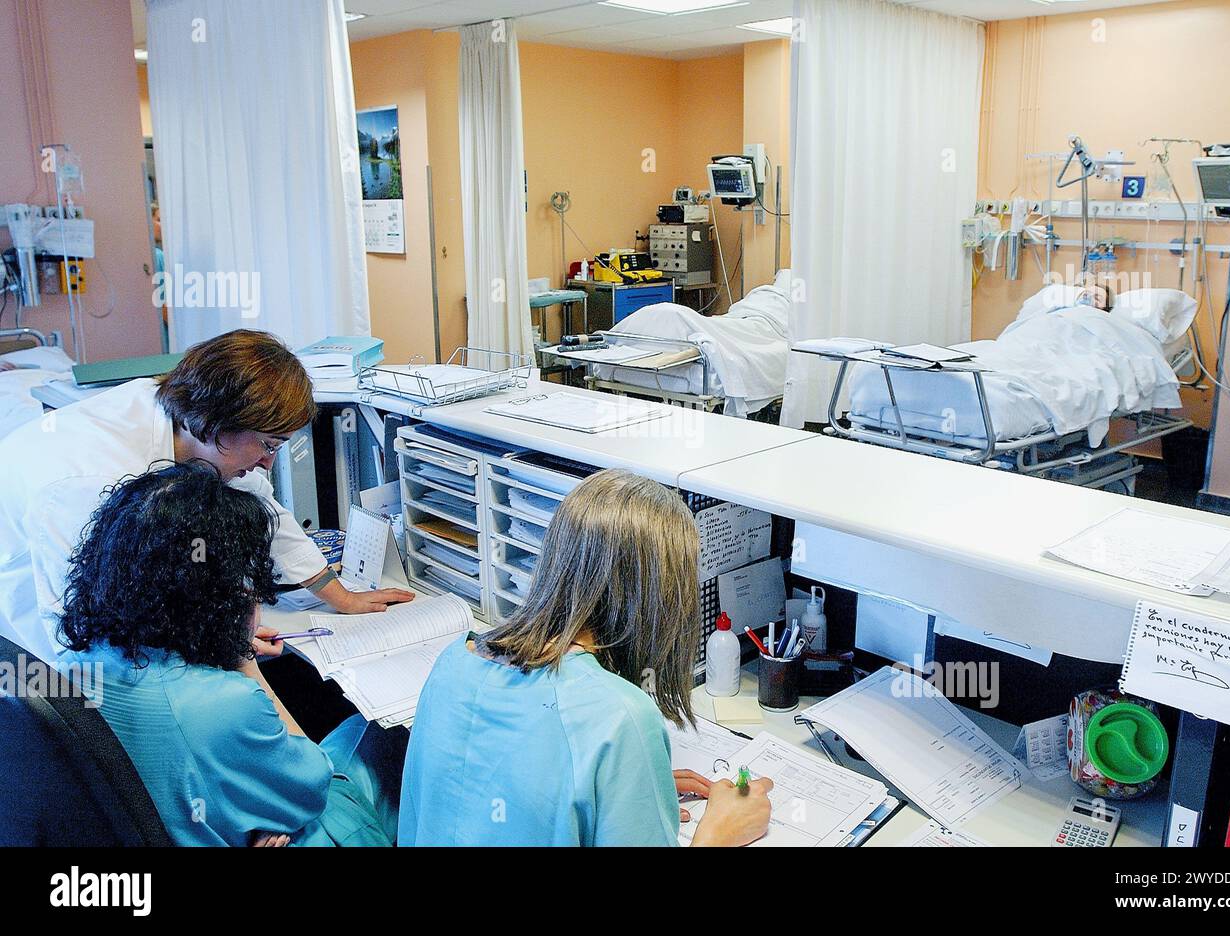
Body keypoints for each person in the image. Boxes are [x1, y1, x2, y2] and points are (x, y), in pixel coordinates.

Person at [399, 469, 773, 846]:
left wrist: (626, 788)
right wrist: (719, 833)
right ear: (662, 600)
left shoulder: (453, 662)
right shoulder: (621, 716)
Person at [0, 329, 412, 661]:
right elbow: (76, 623)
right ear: (216, 429)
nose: (269, 463)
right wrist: (216, 644)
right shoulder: (88, 483)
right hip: (37, 614)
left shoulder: (196, 427)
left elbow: (265, 508)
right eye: (268, 446)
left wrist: (341, 597)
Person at [58, 462, 406, 846]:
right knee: (381, 734)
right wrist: (244, 660)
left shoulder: (74, 665)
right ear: (220, 593)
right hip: (284, 812)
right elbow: (314, 787)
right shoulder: (226, 704)